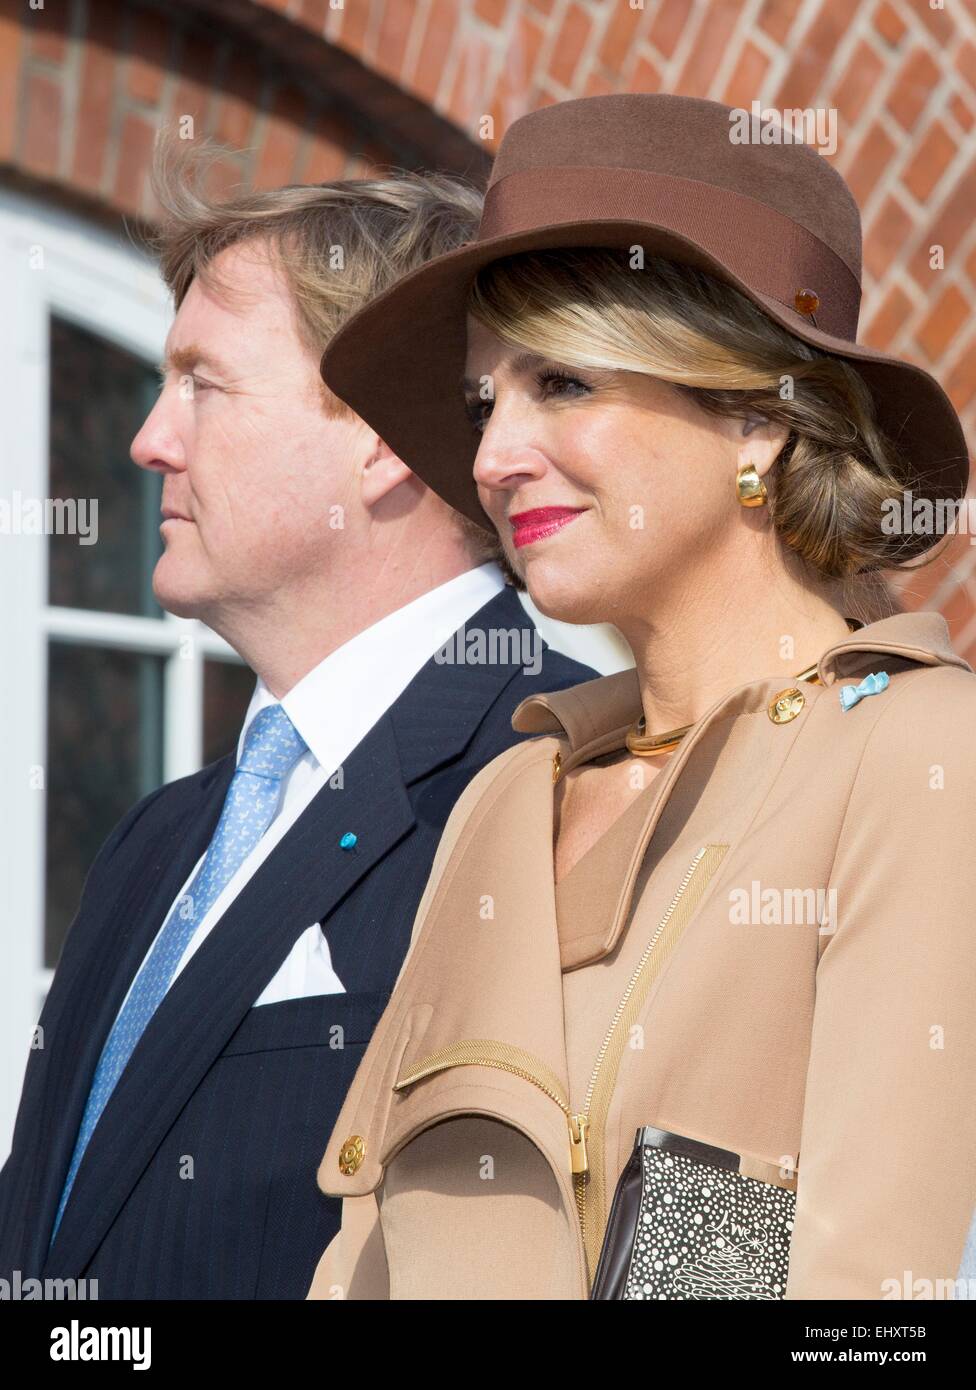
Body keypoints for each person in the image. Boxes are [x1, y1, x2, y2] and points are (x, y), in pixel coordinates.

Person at [305, 93, 976, 1300]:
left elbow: (864, 1293)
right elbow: (366, 1259)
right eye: (481, 402)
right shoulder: (506, 798)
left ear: (757, 421)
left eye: (560, 383)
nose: (495, 454)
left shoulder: (913, 754)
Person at [0, 142, 598, 1300]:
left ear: (378, 436)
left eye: (203, 383)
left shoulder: (572, 773)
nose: (150, 440)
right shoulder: (159, 840)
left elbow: (715, 1218)